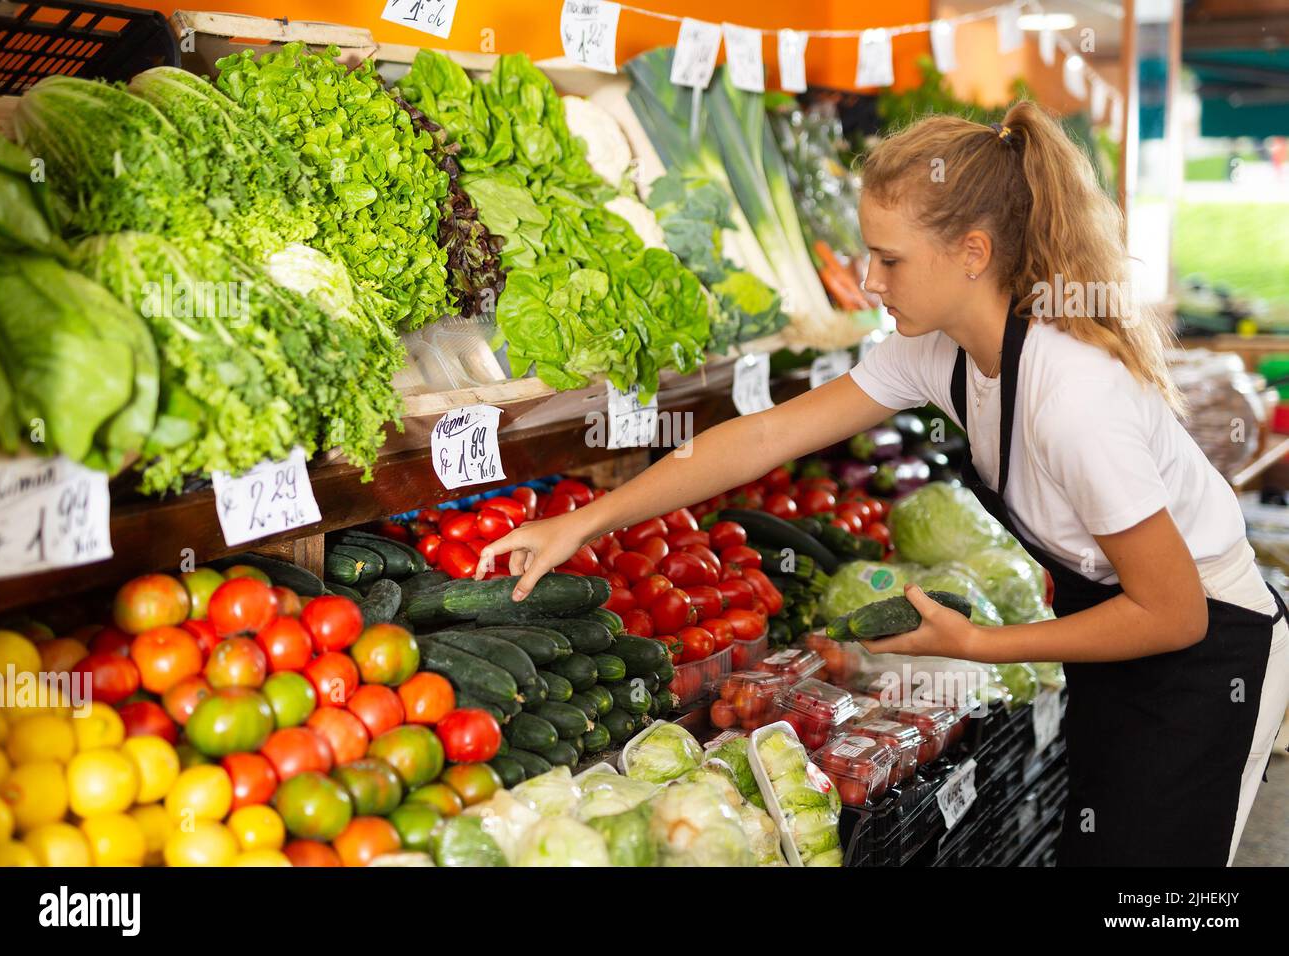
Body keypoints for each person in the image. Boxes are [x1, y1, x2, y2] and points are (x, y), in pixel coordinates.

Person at [476, 101, 1289, 867]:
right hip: (1116, 636)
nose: (867, 279)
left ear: (973, 253)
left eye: (889, 258)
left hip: (1208, 649)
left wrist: (980, 648)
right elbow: (766, 434)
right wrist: (587, 521)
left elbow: (1173, 612)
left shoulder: (1072, 394)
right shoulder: (939, 349)